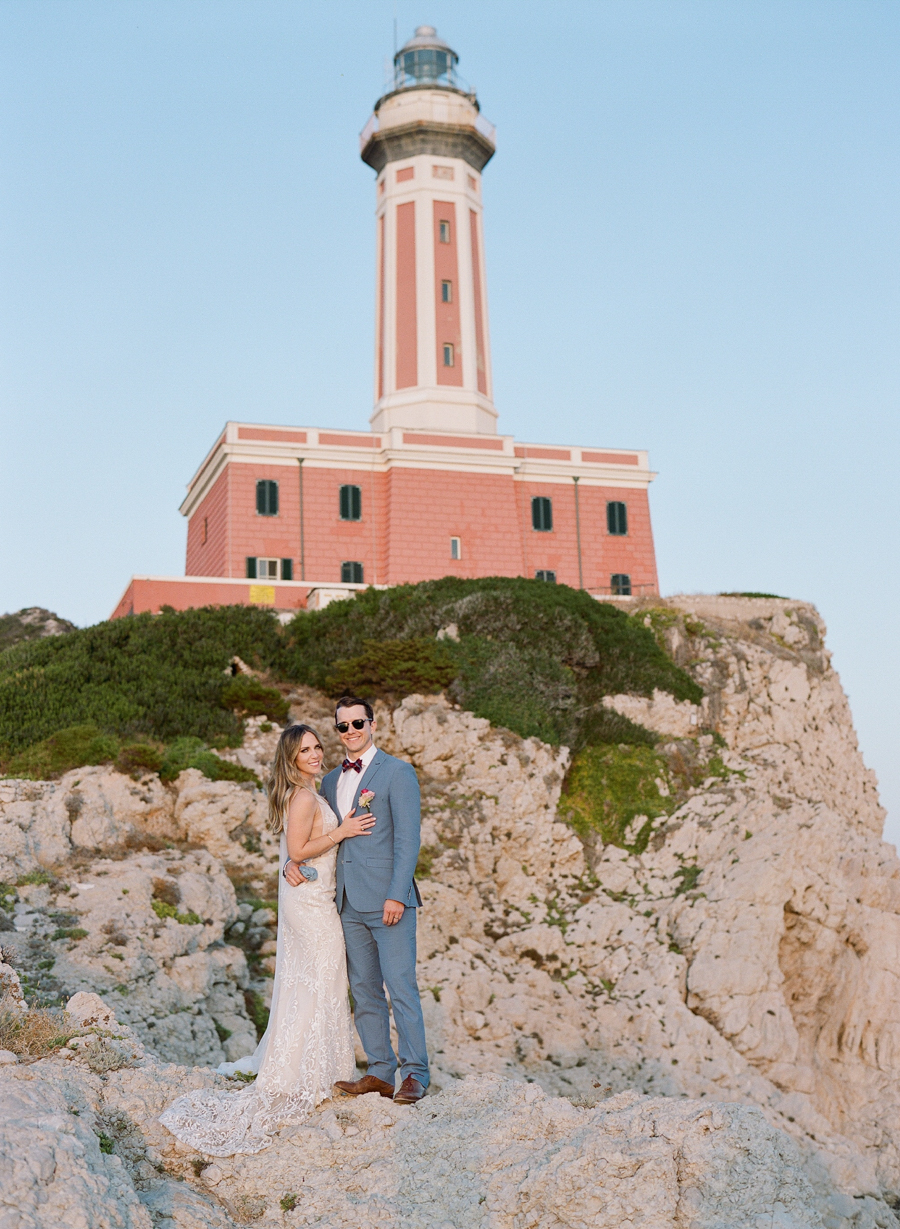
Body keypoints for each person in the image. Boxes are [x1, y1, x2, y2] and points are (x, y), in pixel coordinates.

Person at [158, 723, 371, 1156]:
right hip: (310, 904)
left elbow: (297, 853)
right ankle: (304, 1076)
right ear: (291, 758)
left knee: (317, 981)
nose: (314, 754)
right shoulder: (305, 796)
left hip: (313, 895)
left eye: (316, 746)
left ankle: (317, 1069)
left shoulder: (313, 792)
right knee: (322, 979)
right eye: (304, 750)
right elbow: (297, 850)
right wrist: (342, 832)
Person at [284, 695, 429, 1105]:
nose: (351, 732)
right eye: (342, 726)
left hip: (388, 902)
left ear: (373, 724)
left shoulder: (398, 773)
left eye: (357, 724)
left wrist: (396, 895)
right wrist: (289, 865)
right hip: (345, 903)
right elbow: (315, 837)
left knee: (400, 987)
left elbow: (408, 839)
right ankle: (380, 1072)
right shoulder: (328, 781)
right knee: (364, 990)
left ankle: (415, 1073)